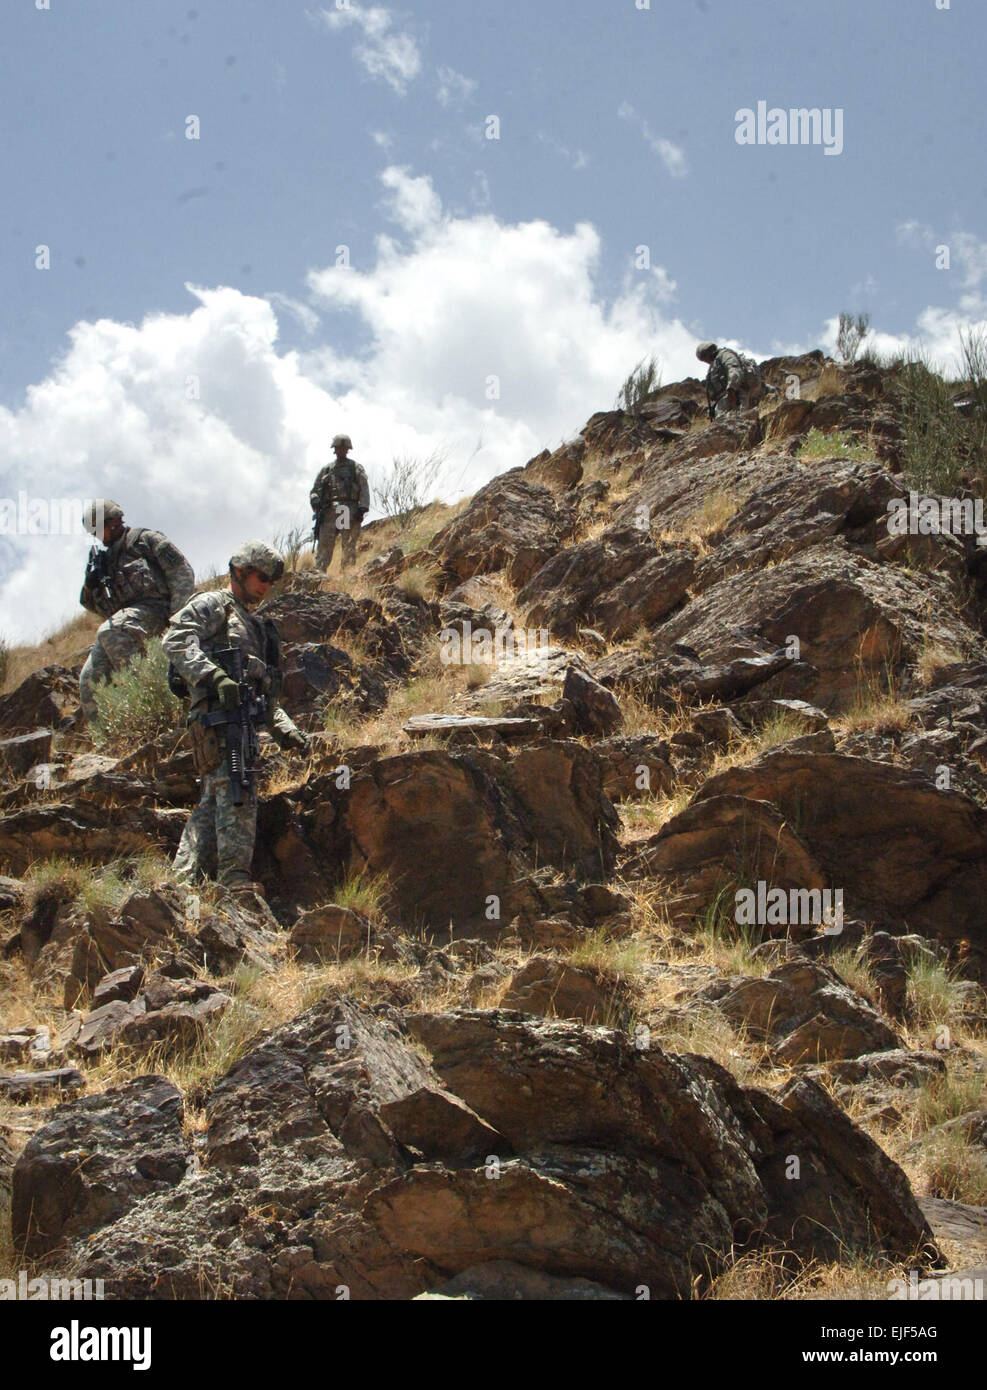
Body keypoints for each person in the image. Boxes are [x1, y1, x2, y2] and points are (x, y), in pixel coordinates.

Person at [162, 539, 309, 894]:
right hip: (216, 720)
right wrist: (213, 676)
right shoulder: (213, 605)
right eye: (261, 576)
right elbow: (176, 640)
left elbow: (264, 693)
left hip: (242, 720)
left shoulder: (256, 628)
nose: (266, 586)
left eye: (271, 580)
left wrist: (286, 731)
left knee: (216, 798)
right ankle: (233, 879)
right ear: (240, 572)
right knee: (236, 789)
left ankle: (180, 884)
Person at [78, 499, 195, 727]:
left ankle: (156, 703)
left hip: (160, 611)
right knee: (89, 679)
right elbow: (95, 608)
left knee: (110, 632)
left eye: (97, 529)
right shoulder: (105, 561)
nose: (96, 537)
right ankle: (108, 739)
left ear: (112, 522)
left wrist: (179, 620)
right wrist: (90, 585)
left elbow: (182, 573)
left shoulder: (145, 540)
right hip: (128, 623)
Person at [310, 434, 371, 572]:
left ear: (348, 449)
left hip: (347, 510)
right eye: (339, 448)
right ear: (335, 449)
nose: (342, 450)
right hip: (329, 512)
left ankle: (346, 577)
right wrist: (315, 499)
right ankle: (317, 579)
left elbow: (364, 487)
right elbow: (315, 489)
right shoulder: (326, 470)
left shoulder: (355, 467)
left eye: (344, 448)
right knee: (324, 548)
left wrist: (362, 508)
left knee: (348, 545)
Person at [696, 341, 762, 419]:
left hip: (735, 395)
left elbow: (734, 369)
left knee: (741, 419)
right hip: (724, 400)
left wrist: (731, 388)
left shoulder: (725, 355)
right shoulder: (714, 364)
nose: (705, 360)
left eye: (704, 357)